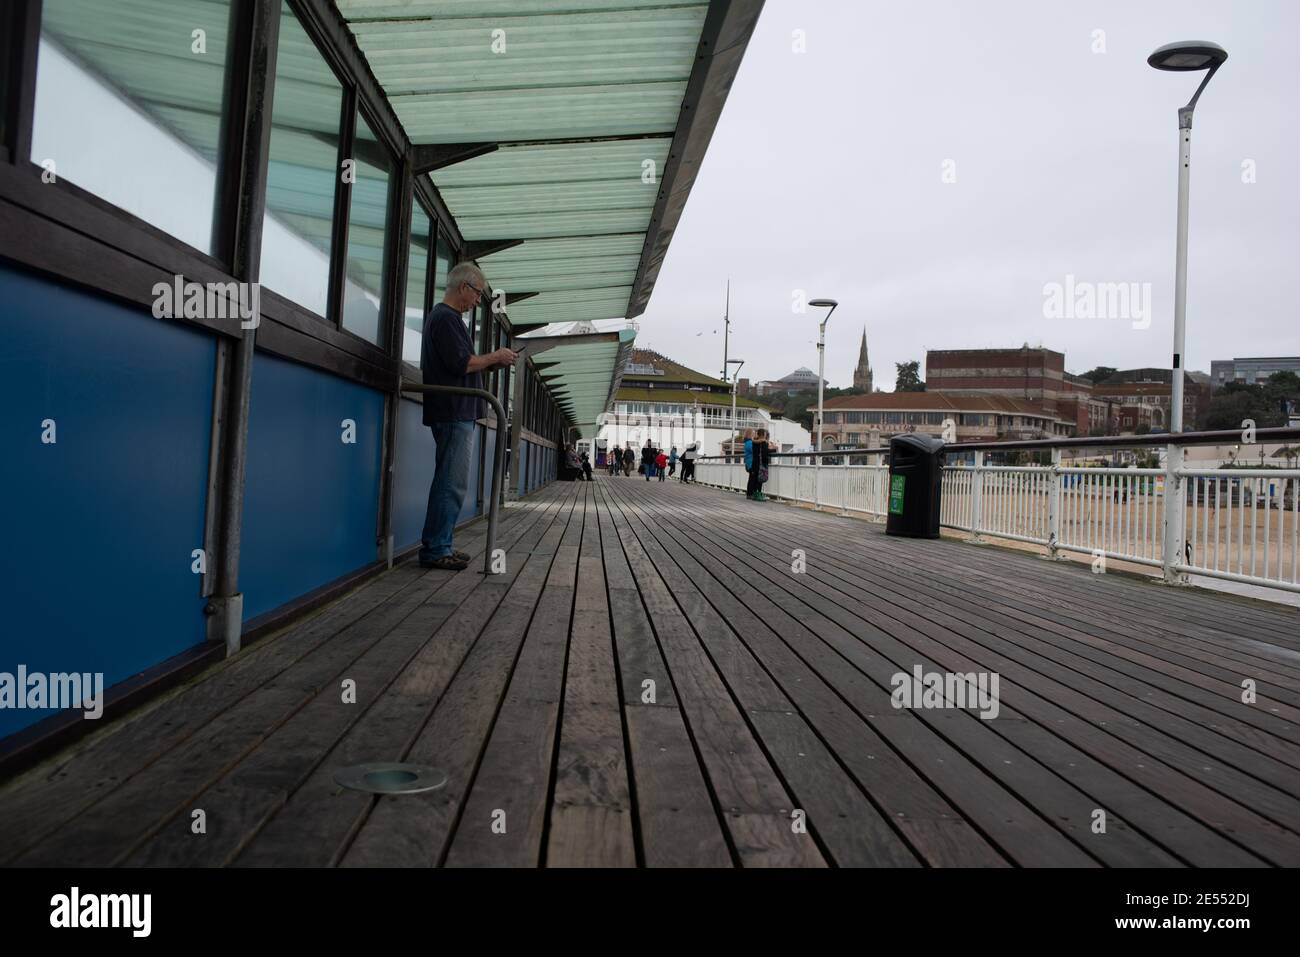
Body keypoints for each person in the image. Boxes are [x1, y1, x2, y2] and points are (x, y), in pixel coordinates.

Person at [420, 262, 517, 570]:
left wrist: (491, 363)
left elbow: (463, 363)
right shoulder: (446, 319)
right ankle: (436, 548)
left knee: (451, 481)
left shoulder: (447, 319)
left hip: (454, 410)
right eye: (477, 294)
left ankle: (442, 543)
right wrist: (495, 357)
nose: (478, 301)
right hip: (453, 411)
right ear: (464, 287)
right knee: (451, 482)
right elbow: (460, 363)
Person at [750, 428, 773, 501]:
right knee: (760, 479)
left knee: (755, 478)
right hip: (761, 463)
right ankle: (758, 494)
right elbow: (765, 453)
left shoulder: (754, 442)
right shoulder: (764, 442)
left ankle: (754, 494)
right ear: (763, 434)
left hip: (755, 462)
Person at [742, 428, 758, 499]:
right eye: (753, 433)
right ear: (750, 434)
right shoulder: (749, 442)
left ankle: (749, 493)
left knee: (751, 478)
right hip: (751, 462)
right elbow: (754, 451)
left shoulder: (747, 442)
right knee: (752, 478)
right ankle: (750, 494)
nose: (754, 434)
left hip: (749, 462)